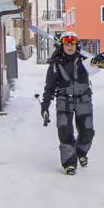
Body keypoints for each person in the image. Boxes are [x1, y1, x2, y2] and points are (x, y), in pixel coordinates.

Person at [41, 32, 94, 175]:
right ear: (62, 46)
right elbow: (49, 87)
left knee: (87, 131)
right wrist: (45, 106)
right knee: (65, 131)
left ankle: (80, 152)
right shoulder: (55, 64)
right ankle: (69, 163)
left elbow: (96, 67)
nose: (69, 47)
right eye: (66, 44)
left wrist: (102, 62)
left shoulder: (85, 61)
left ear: (77, 45)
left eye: (72, 44)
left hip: (83, 99)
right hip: (64, 100)